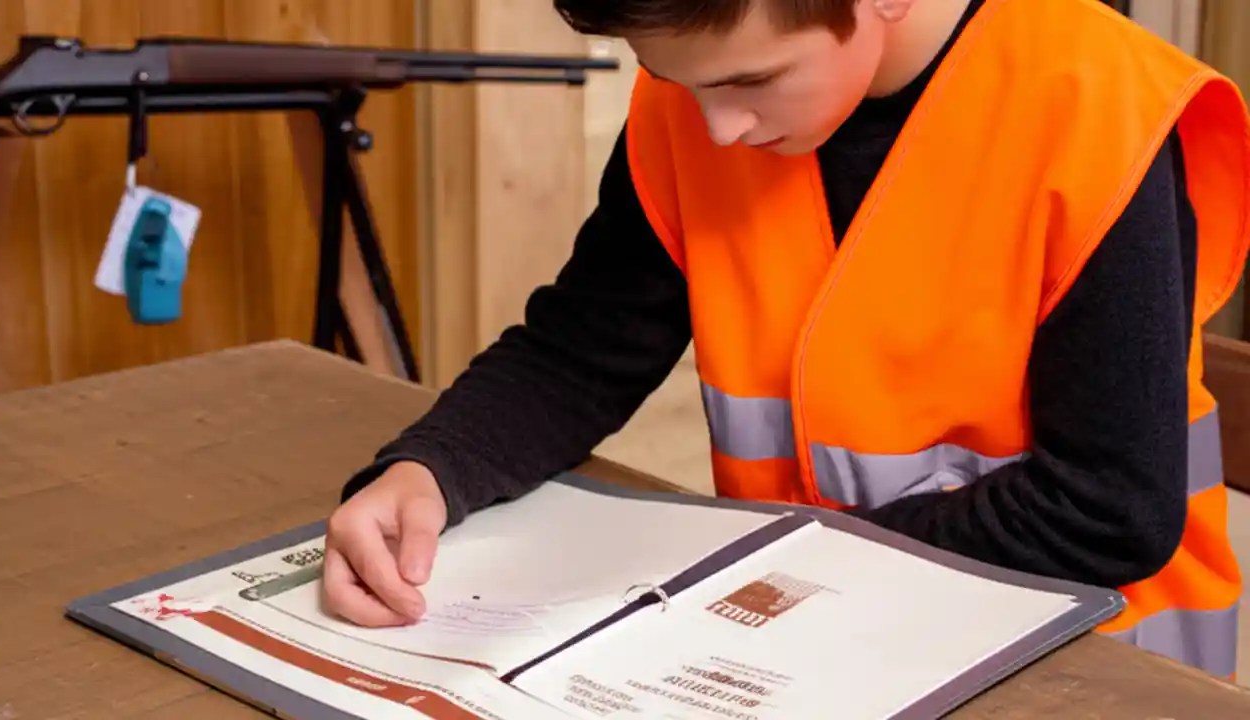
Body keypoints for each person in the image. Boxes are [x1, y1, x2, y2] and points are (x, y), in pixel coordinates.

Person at [322, 0, 1250, 679]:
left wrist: (783, 564)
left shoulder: (1094, 109)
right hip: (817, 630)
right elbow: (577, 351)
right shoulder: (693, 99)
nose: (719, 127)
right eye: (675, 80)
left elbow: (1107, 510)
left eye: (750, 81)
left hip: (1096, 662)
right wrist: (430, 471)